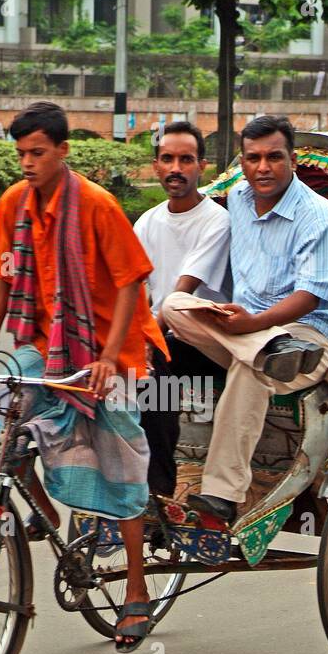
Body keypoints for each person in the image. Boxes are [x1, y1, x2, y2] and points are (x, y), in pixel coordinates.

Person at [0, 101, 169, 652]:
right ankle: (41, 511)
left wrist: (109, 358)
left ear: (63, 151)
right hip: (46, 344)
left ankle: (136, 589)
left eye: (38, 152)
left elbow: (133, 280)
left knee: (121, 466)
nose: (28, 163)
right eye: (21, 154)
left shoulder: (97, 205)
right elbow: (2, 279)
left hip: (113, 345)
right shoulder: (15, 203)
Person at [160, 115, 328, 523]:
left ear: (292, 160)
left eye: (274, 157)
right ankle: (154, 484)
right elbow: (189, 202)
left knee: (251, 370)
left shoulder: (319, 216)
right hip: (249, 332)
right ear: (241, 163)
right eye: (253, 158)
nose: (263, 167)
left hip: (309, 335)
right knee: (174, 306)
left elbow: (310, 297)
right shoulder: (239, 200)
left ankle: (222, 495)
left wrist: (255, 323)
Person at [131, 121, 231, 497]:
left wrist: (147, 343)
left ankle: (159, 490)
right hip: (160, 335)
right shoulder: (147, 222)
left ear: (201, 166)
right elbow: (137, 290)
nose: (176, 168)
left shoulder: (217, 221)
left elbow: (182, 290)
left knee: (155, 377)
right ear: (156, 166)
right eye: (167, 159)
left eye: (186, 159)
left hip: (205, 340)